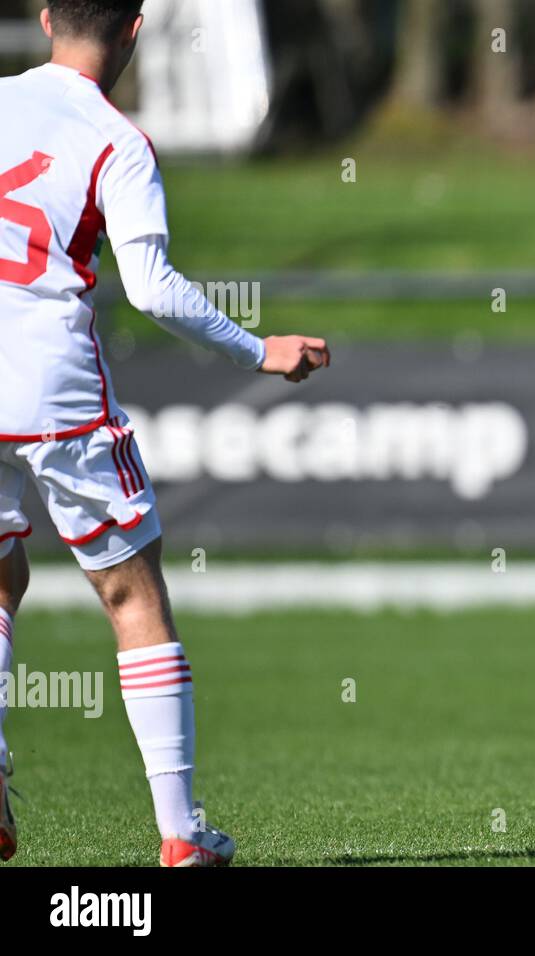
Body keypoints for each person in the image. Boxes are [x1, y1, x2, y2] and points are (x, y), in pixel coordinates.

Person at [0, 0, 330, 866]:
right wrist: (260, 350)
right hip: (54, 391)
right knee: (132, 596)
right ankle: (181, 835)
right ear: (135, 29)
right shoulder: (116, 139)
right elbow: (150, 288)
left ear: (42, 19)